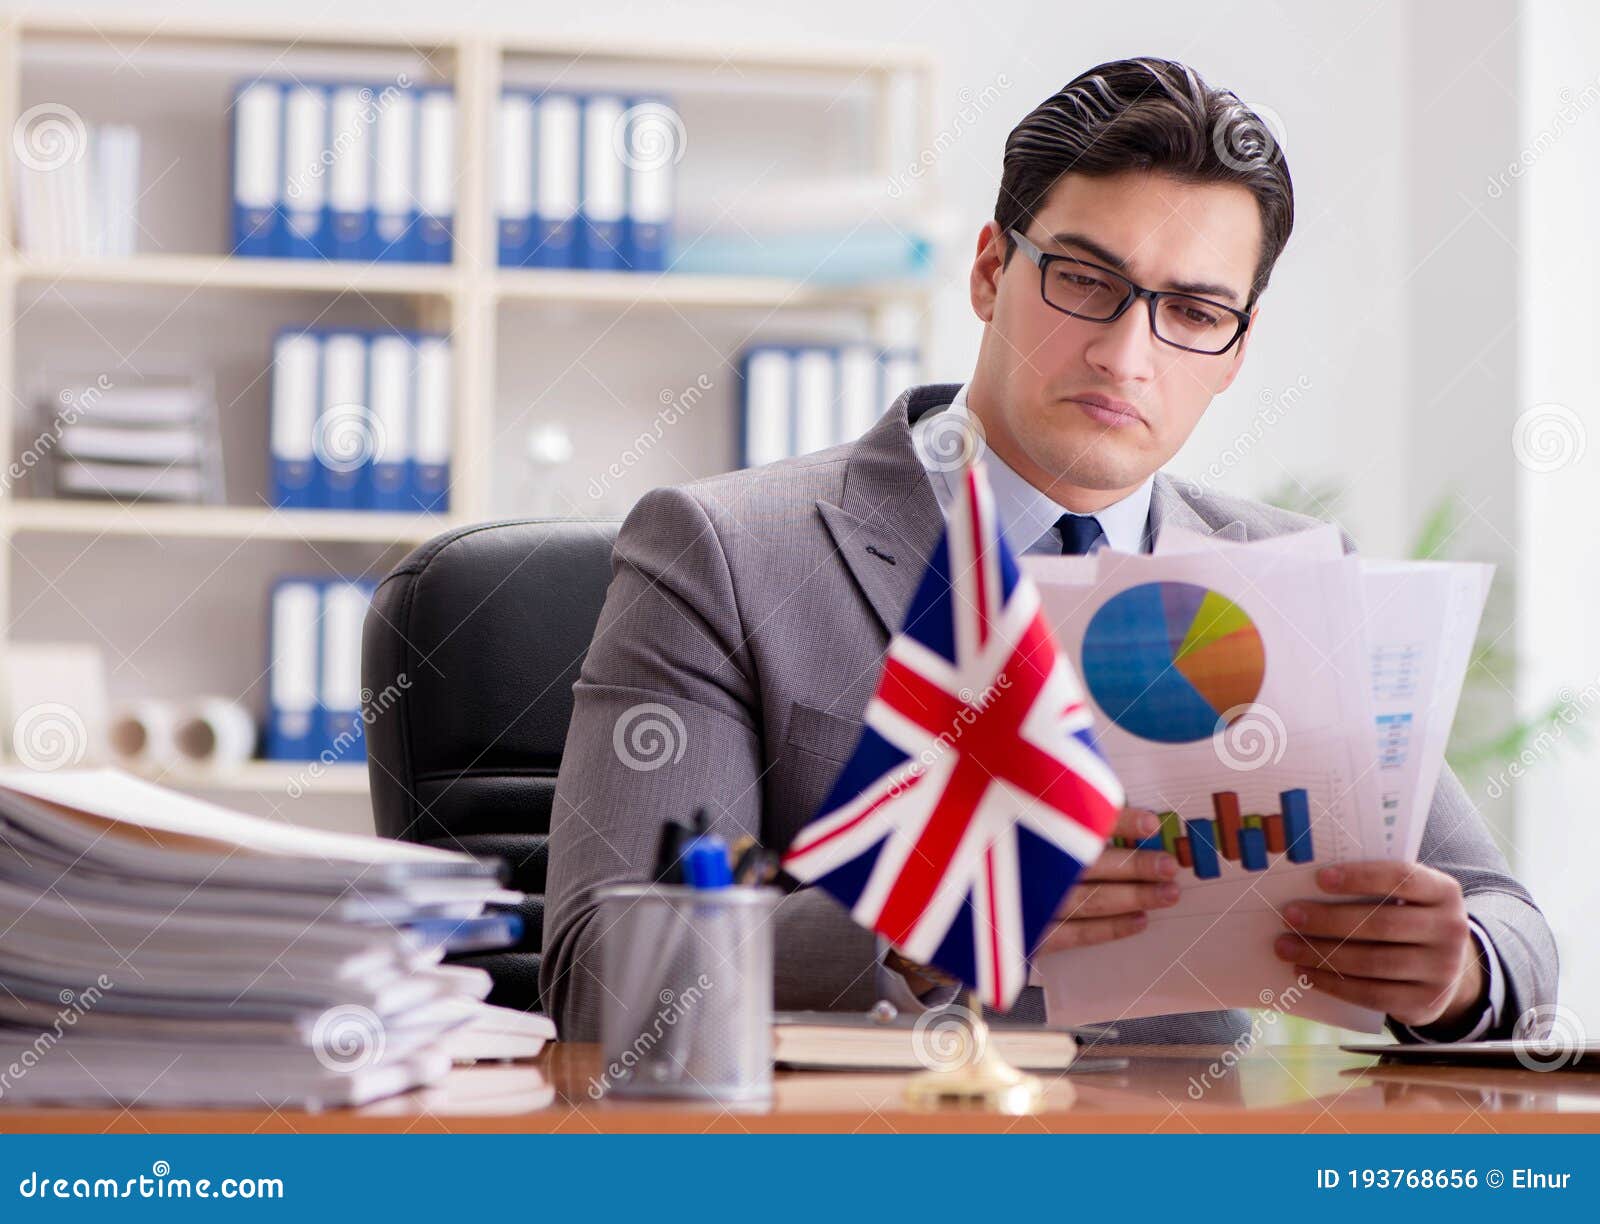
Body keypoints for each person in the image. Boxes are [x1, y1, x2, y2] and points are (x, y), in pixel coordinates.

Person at [540, 56, 1557, 1044]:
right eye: (1082, 281)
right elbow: (601, 972)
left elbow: (1507, 925)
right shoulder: (727, 552)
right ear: (991, 271)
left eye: (1194, 313)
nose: (1125, 355)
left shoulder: (1288, 576)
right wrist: (919, 926)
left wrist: (1455, 971)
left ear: (1237, 349)